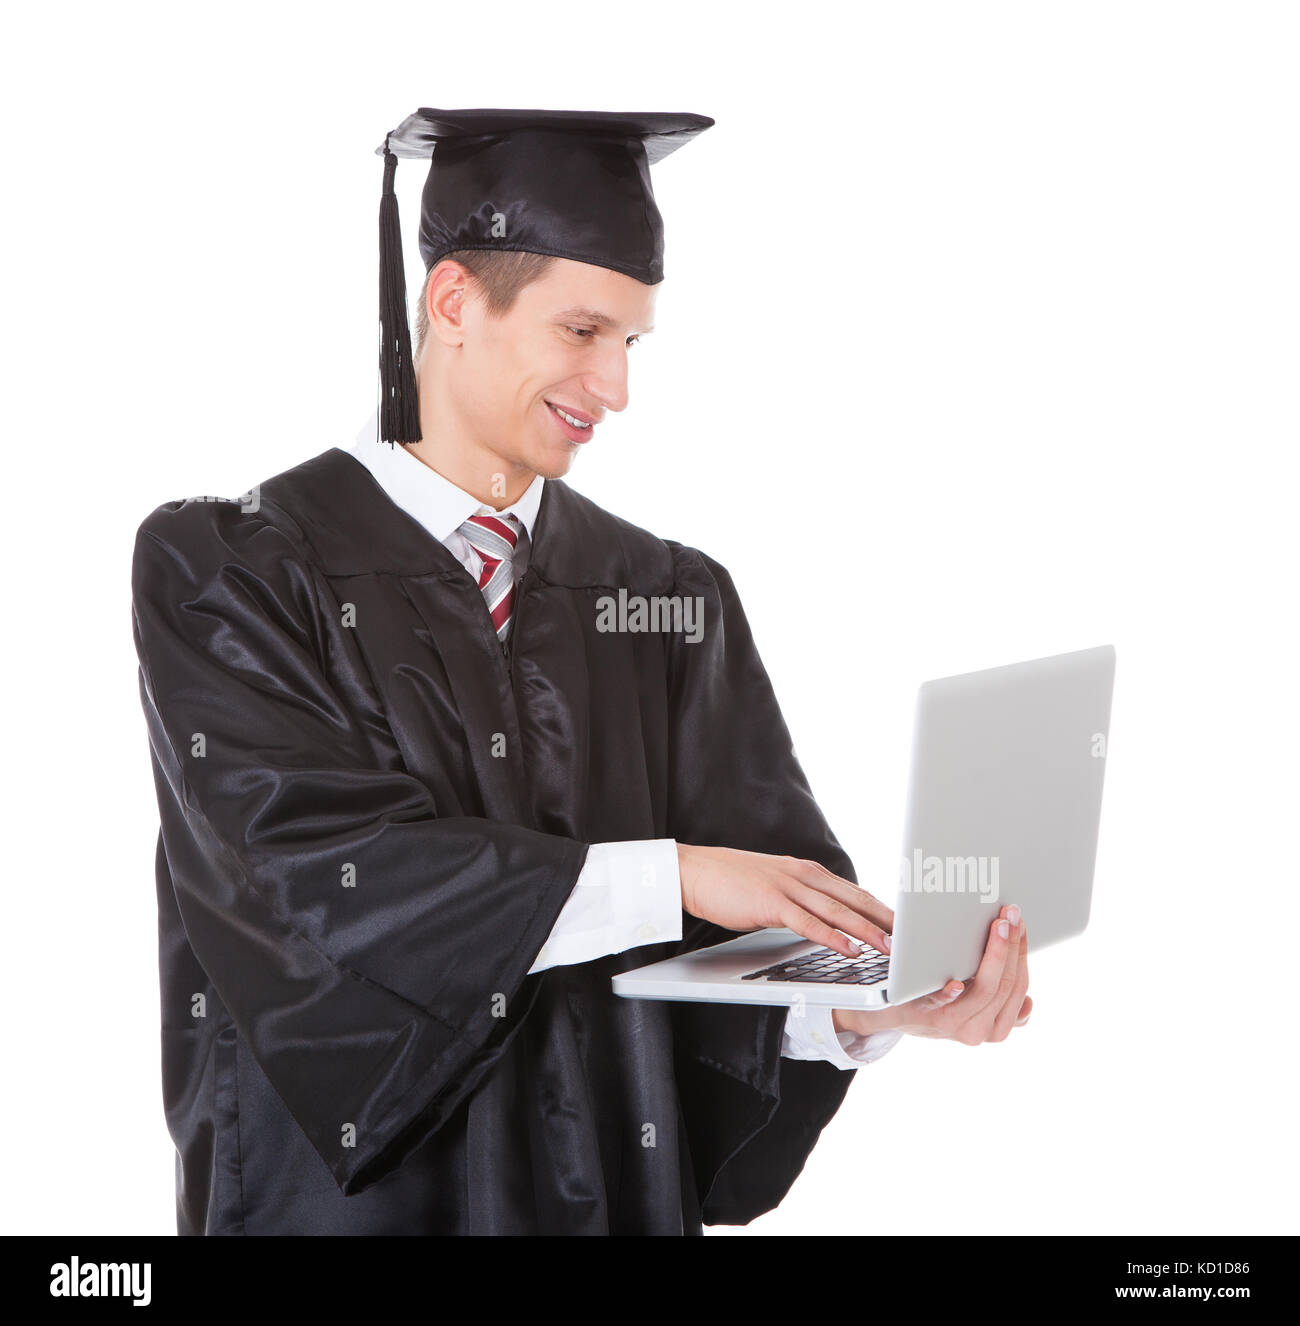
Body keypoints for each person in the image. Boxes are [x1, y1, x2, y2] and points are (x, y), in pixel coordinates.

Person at [130, 107, 1031, 1236]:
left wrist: (864, 1009)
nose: (614, 389)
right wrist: (671, 876)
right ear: (455, 302)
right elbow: (310, 875)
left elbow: (743, 938)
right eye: (582, 331)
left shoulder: (664, 592)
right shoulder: (235, 564)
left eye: (631, 343)